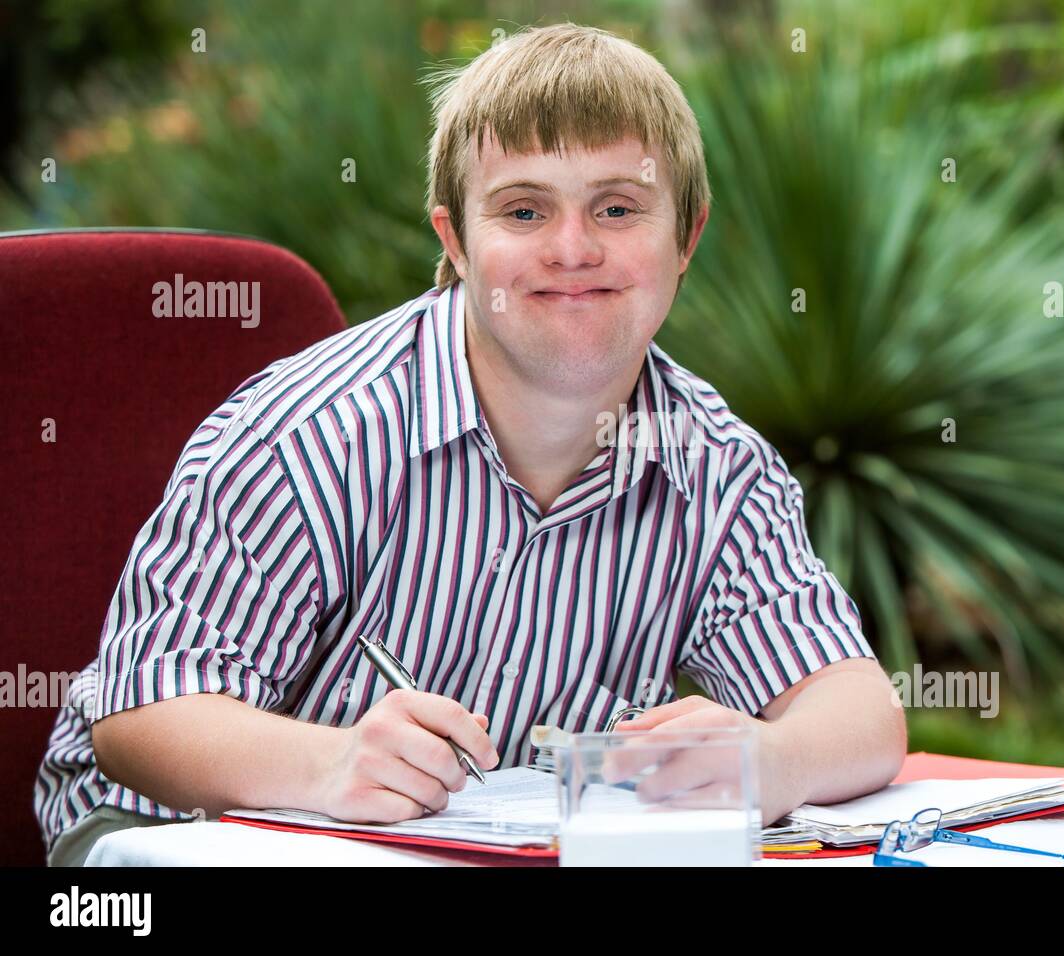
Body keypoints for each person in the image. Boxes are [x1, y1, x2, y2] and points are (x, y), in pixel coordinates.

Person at [36, 22, 906, 866]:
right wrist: (329, 766)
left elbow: (861, 710)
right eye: (524, 210)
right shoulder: (311, 432)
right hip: (167, 839)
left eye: (618, 207)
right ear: (455, 240)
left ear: (688, 238)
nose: (573, 249)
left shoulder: (716, 465)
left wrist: (766, 759)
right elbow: (141, 715)